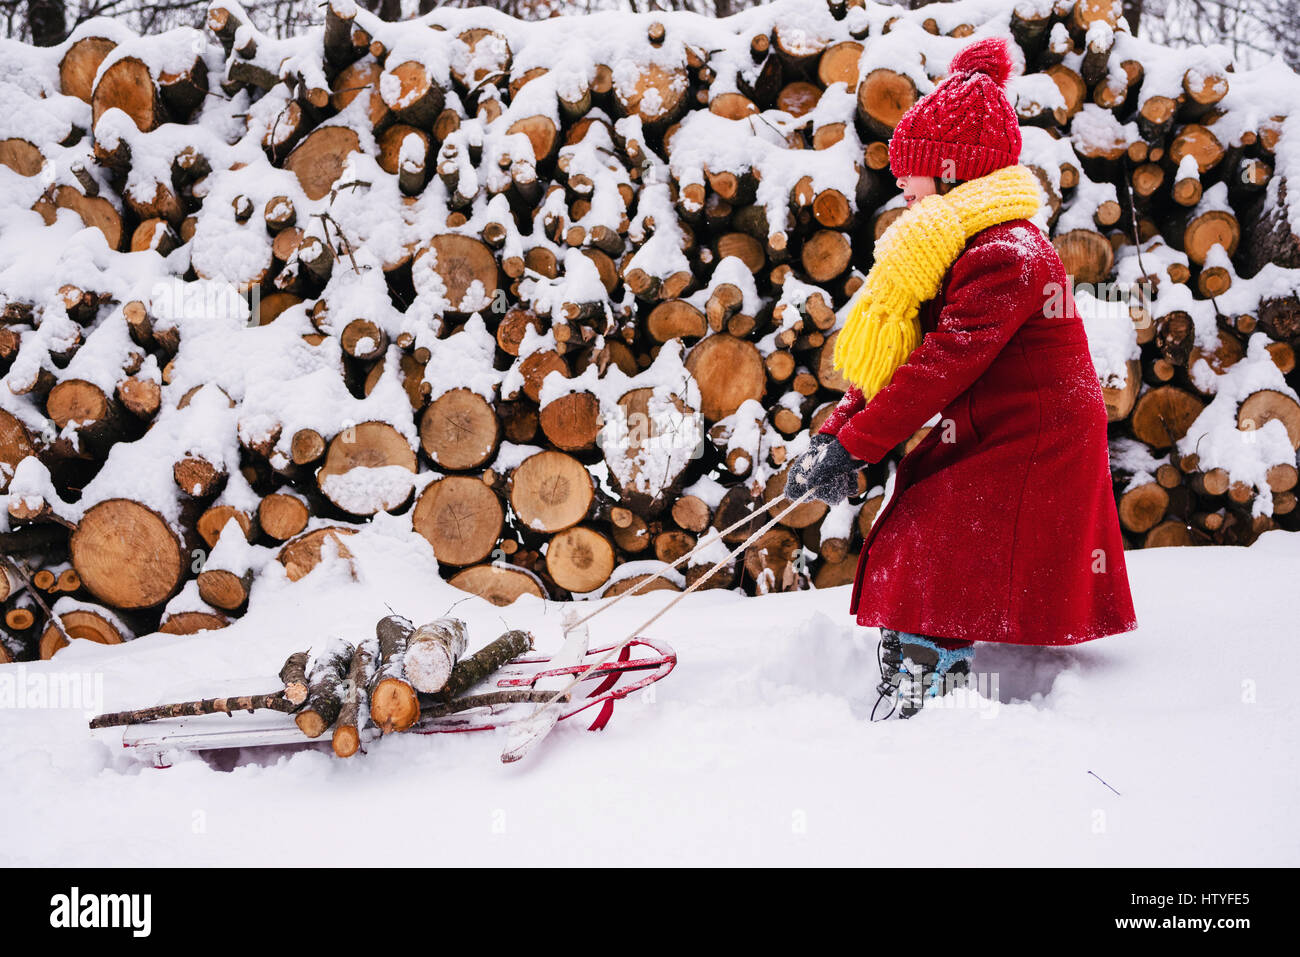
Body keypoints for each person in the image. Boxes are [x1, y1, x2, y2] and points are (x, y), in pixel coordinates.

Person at [785, 36, 1137, 719]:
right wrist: (835, 436)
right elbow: (894, 359)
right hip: (991, 419)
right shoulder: (940, 246)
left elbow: (940, 365)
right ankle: (919, 646)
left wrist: (860, 447)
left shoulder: (1007, 252)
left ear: (955, 176)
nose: (901, 185)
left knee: (935, 526)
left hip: (1036, 434)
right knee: (924, 519)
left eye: (912, 172)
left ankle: (929, 670)